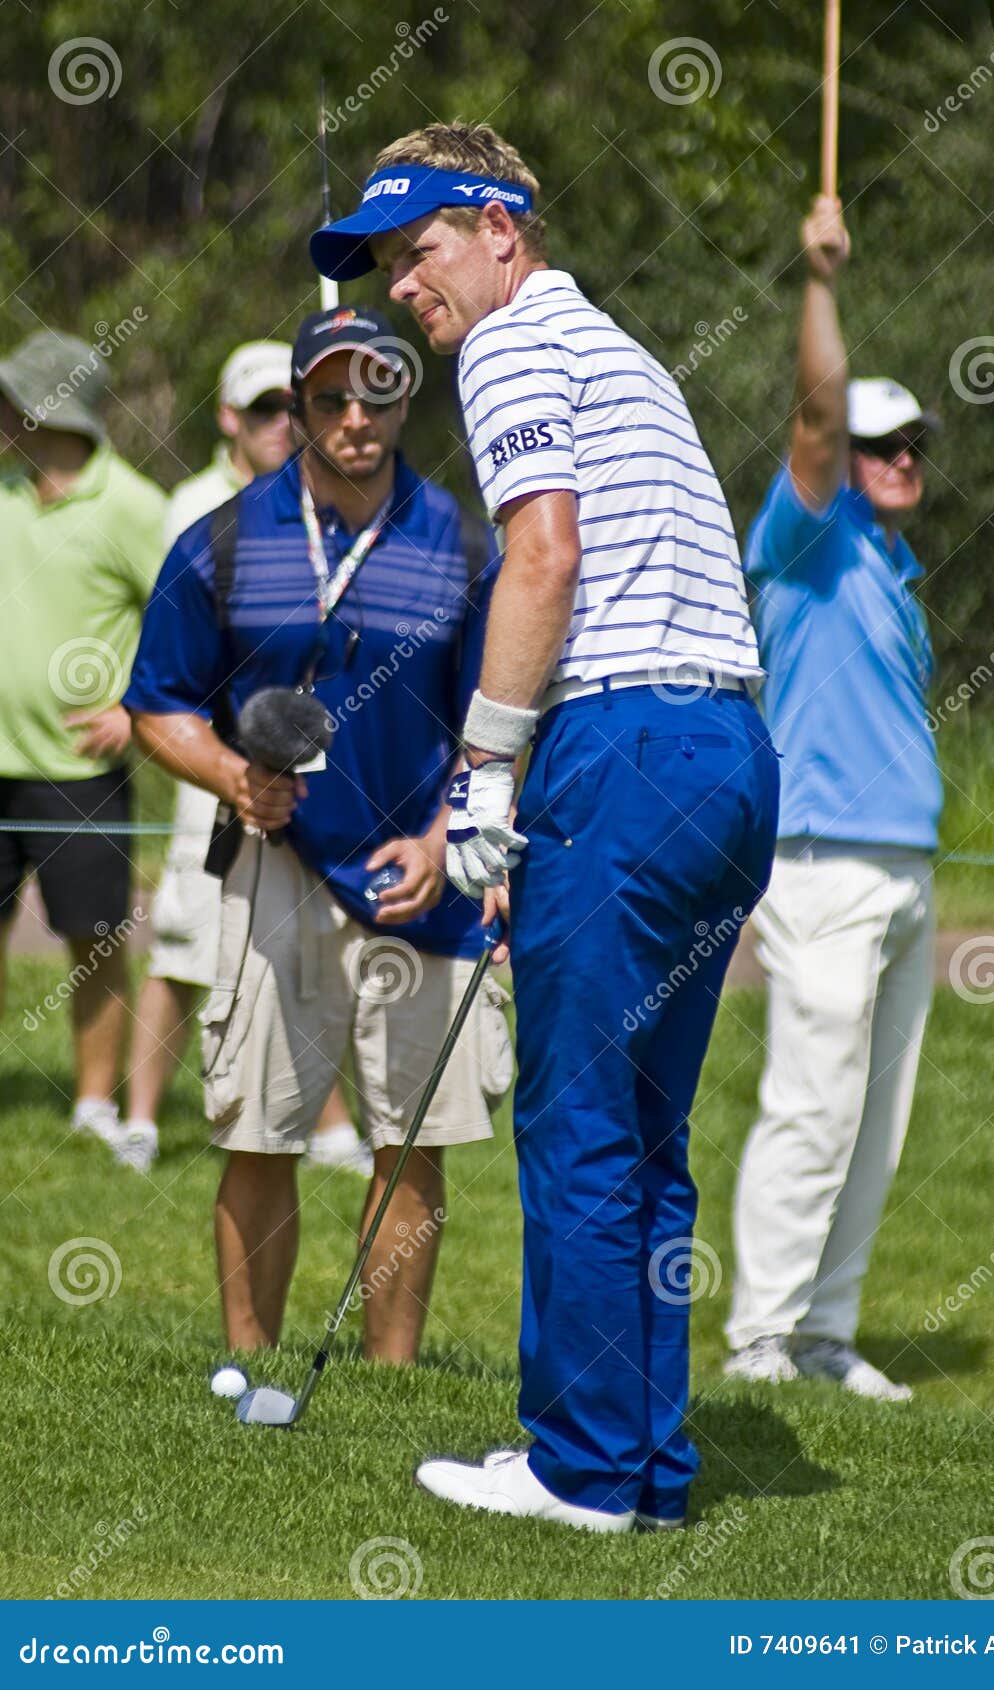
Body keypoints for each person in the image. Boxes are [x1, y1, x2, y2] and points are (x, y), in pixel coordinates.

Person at [312, 123, 779, 1530]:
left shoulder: (511, 344)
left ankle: (578, 1468)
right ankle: (643, 1468)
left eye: (419, 250)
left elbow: (544, 553)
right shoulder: (618, 350)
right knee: (642, 1124)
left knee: (576, 1120)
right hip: (728, 757)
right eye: (389, 264)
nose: (404, 286)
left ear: (501, 227)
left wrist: (483, 781)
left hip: (623, 742)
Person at [124, 306, 512, 1365]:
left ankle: (390, 1375)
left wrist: (444, 837)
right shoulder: (226, 538)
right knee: (258, 1128)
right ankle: (247, 1358)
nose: (355, 416)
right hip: (272, 862)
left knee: (409, 1135)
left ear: (403, 400)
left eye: (376, 393)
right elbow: (157, 703)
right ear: (296, 405)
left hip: (412, 877)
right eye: (332, 396)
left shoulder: (462, 540)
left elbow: (500, 710)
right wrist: (232, 778)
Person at [722, 196, 942, 1402]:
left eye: (913, 443)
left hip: (905, 866)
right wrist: (819, 278)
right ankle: (761, 1336)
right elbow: (814, 406)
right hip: (818, 864)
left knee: (879, 1120)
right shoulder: (808, 540)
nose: (900, 458)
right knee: (812, 1103)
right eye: (879, 445)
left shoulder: (896, 568)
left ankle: (824, 1332)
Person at [123, 341, 366, 1177]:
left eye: (284, 409)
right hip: (215, 765)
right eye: (260, 410)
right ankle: (142, 1119)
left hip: (309, 766)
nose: (275, 425)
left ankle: (325, 1120)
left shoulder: (331, 510)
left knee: (313, 942)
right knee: (187, 944)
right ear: (230, 417)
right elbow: (163, 645)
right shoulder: (194, 509)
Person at [0, 329, 165, 1148]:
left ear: (42, 408)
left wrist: (136, 712)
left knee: (93, 942)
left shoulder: (134, 507)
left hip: (80, 772)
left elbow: (185, 623)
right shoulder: (2, 488)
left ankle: (97, 1103)